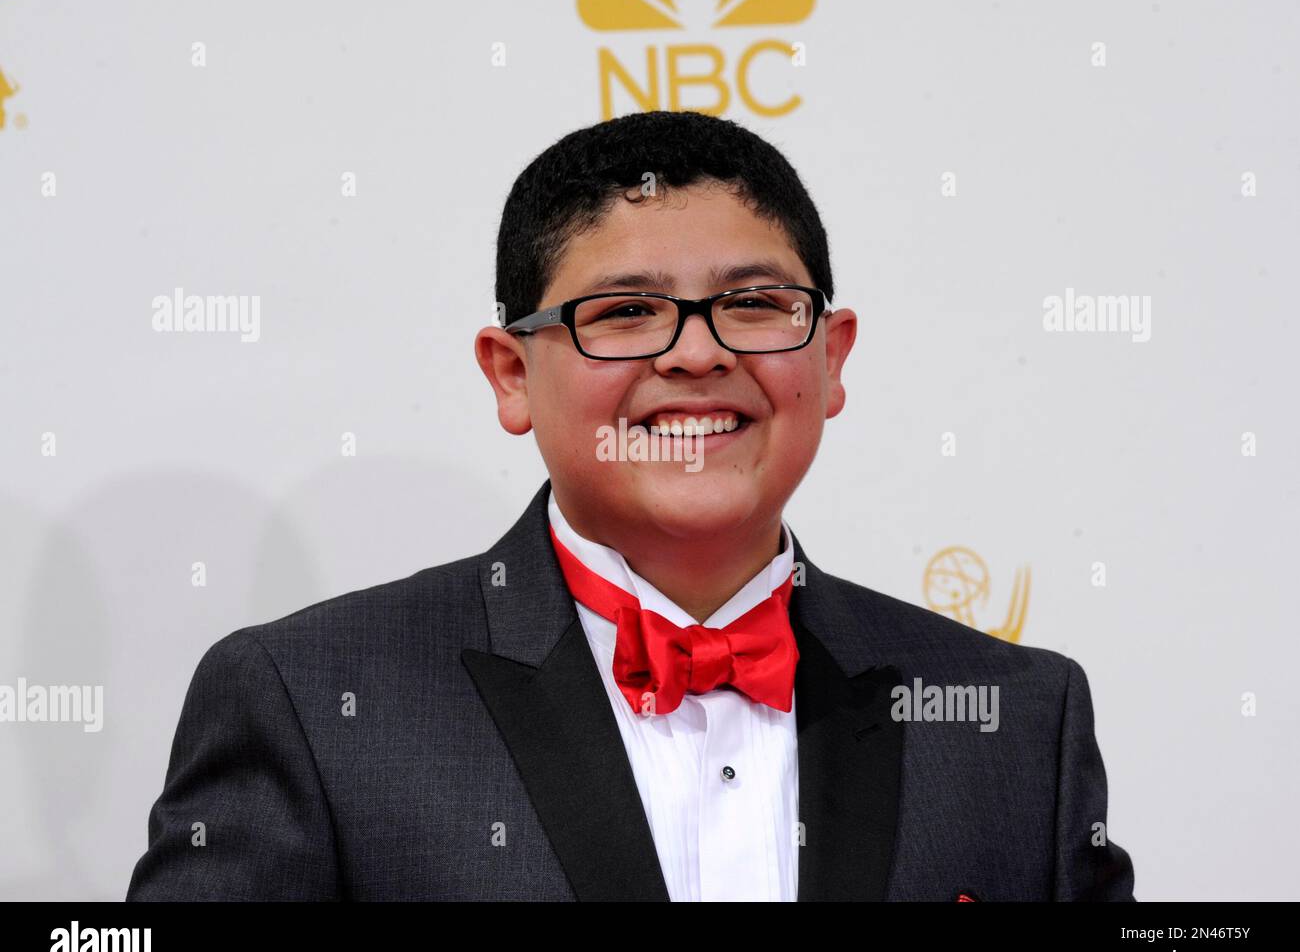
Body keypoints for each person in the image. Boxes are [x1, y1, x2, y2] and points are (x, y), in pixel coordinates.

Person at [126, 109, 1135, 901]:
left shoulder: (1017, 717)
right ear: (511, 374)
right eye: (625, 312)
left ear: (830, 358)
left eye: (753, 304)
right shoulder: (310, 703)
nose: (697, 353)